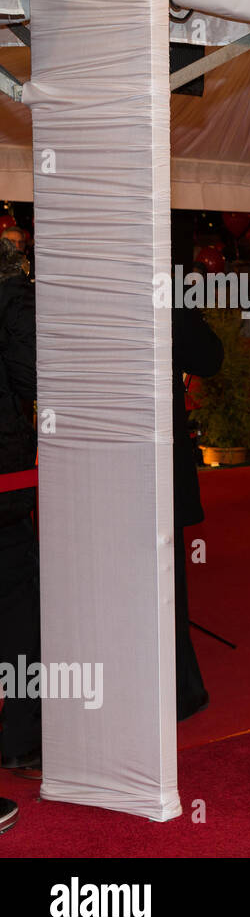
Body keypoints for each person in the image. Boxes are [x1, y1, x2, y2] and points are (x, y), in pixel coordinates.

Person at [0, 237, 39, 776]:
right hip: (5, 481)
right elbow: (35, 378)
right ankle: (22, 738)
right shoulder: (14, 300)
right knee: (16, 609)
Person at [175, 301, 224, 722]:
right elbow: (208, 357)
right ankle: (176, 691)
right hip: (151, 455)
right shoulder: (158, 289)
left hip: (88, 454)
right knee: (162, 578)